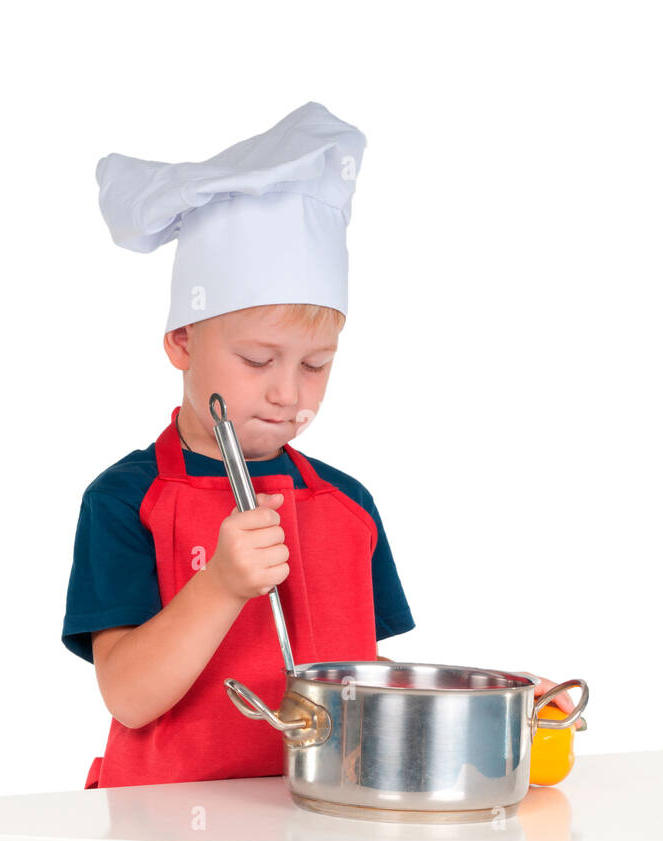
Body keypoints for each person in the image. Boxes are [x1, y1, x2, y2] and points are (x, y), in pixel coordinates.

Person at [63, 102, 573, 790]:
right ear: (183, 342)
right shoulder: (125, 500)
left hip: (322, 821)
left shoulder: (346, 505)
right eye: (257, 359)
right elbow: (127, 693)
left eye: (314, 364)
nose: (286, 393)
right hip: (161, 829)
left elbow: (367, 684)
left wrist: (498, 702)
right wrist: (219, 586)